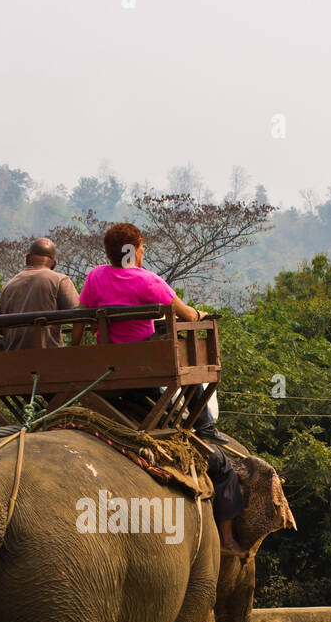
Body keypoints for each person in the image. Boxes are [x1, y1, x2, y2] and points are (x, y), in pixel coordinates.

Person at [80, 223, 247, 557]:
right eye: (141, 247)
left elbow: (84, 313)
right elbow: (184, 313)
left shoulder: (95, 277)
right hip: (145, 374)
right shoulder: (148, 281)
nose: (143, 252)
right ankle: (206, 429)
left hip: (109, 375)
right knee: (189, 367)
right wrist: (200, 314)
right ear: (136, 248)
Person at [0, 238, 79, 350]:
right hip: (49, 358)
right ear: (54, 265)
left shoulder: (8, 286)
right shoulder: (59, 280)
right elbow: (79, 314)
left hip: (13, 359)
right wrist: (75, 346)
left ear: (27, 259)